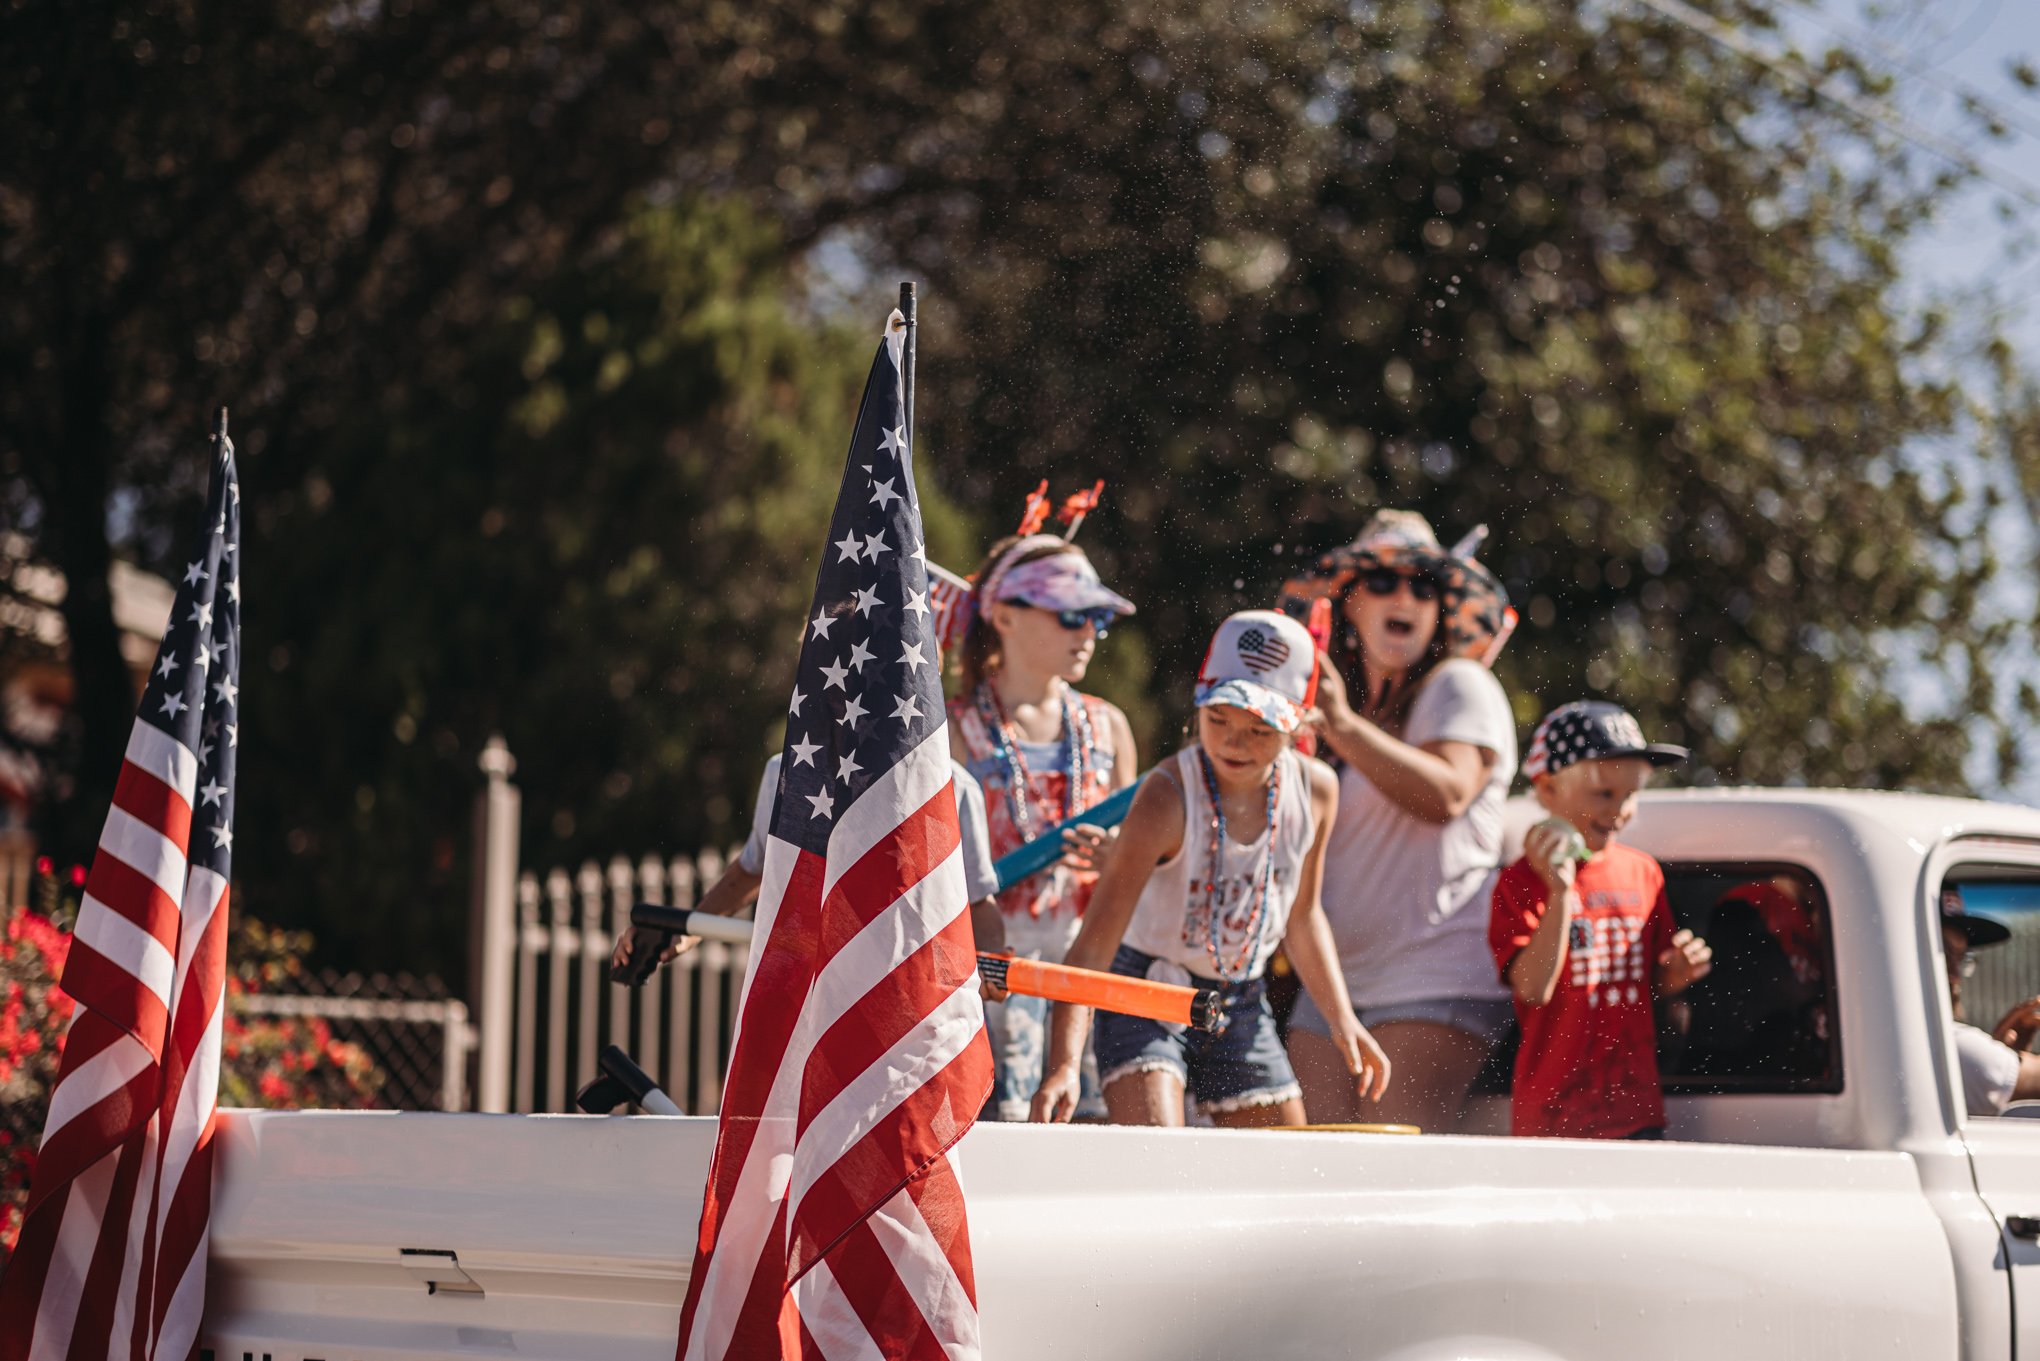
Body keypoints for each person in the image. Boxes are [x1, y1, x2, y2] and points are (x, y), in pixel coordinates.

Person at [1031, 610, 1390, 1127]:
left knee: (1282, 1174)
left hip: (1241, 998)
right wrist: (1065, 1065)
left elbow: (1302, 917)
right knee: (1161, 1162)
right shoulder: (1166, 796)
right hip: (1145, 986)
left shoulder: (1316, 792)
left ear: (1300, 724)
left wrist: (1343, 1020)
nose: (1232, 741)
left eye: (1259, 728)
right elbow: (1092, 949)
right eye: (1217, 718)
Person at [1279, 510, 1519, 1132]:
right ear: (1349, 604)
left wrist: (1341, 726)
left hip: (1435, 976)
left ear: (1441, 610)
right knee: (1312, 1184)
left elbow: (1448, 794)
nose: (1404, 597)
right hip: (1331, 990)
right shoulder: (1343, 719)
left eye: (1423, 585)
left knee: (1373, 1182)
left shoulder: (1459, 683)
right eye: (1383, 583)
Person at [950, 533, 1139, 1120]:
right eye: (1071, 616)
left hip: (1090, 983)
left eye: (1098, 618)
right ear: (1004, 616)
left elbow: (1147, 857)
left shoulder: (1109, 726)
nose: (1088, 632)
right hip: (988, 986)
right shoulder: (950, 728)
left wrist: (1121, 860)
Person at [1488, 701, 1712, 1140]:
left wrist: (1677, 973)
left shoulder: (1643, 871)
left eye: (1630, 795)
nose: (1619, 810)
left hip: (1635, 1111)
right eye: (1604, 794)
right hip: (1553, 1119)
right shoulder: (1521, 882)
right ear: (1548, 789)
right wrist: (1559, 891)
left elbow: (1652, 984)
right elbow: (1532, 988)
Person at [610, 751, 1006, 994]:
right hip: (805, 995)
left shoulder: (949, 785)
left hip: (906, 1002)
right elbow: (752, 871)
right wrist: (686, 930)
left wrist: (987, 966)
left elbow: (977, 901)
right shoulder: (787, 771)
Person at [1941, 888, 2040, 1117]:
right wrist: (2003, 1062)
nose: (1955, 976)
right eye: (1943, 954)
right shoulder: (1949, 1047)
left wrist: (2006, 1057)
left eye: (1961, 958)